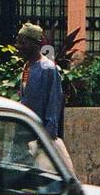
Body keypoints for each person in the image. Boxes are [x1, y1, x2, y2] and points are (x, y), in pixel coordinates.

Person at [15, 22, 68, 167]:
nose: (18, 46)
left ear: (36, 44)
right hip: (24, 137)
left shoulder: (48, 68)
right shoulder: (26, 67)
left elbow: (53, 105)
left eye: (22, 42)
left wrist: (45, 139)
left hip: (40, 140)